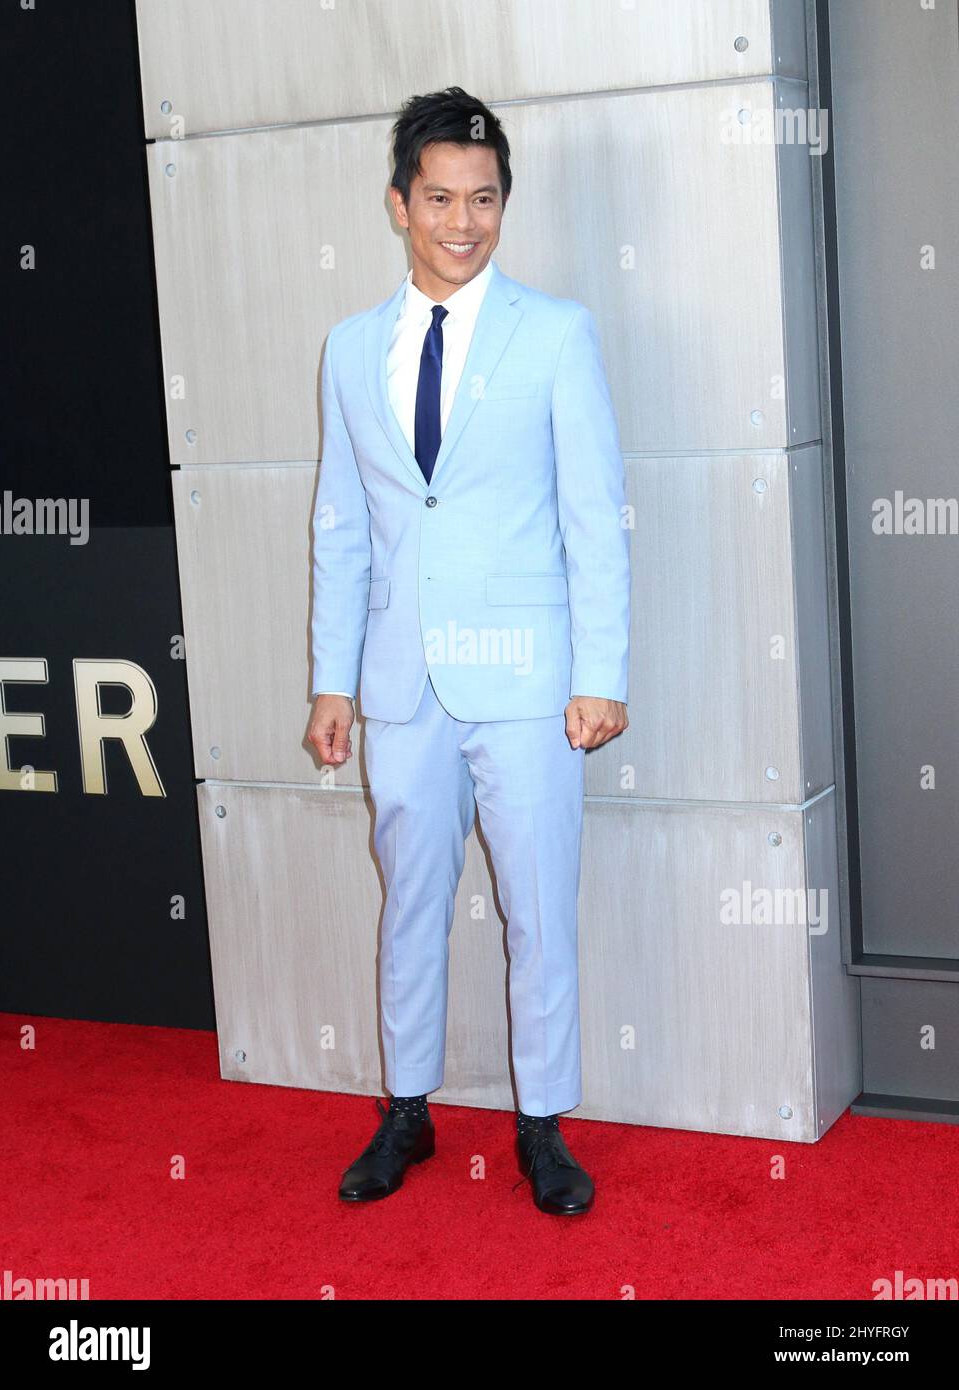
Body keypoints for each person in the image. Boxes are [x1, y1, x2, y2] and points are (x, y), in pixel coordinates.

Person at [307, 86, 630, 1216]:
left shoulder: (557, 333)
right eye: (439, 197)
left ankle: (543, 1123)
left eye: (482, 198)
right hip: (400, 686)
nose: (462, 220)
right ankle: (408, 1110)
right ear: (400, 204)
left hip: (534, 685)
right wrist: (331, 679)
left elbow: (596, 515)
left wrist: (604, 674)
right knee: (411, 901)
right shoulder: (349, 351)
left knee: (540, 903)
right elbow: (341, 525)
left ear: (503, 204)